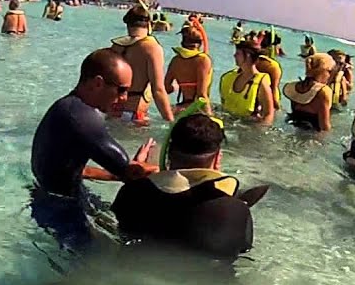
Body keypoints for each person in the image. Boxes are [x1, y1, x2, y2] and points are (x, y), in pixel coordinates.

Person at [29, 49, 158, 252]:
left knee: (114, 229)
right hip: (60, 209)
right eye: (121, 90)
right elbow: (129, 172)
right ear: (98, 83)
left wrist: (124, 170)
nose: (125, 98)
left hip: (50, 195)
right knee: (91, 263)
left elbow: (73, 167)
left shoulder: (67, 108)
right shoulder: (82, 119)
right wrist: (158, 169)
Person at [111, 112, 269, 261]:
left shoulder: (132, 194)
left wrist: (135, 183)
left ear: (168, 153)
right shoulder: (235, 210)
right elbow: (242, 251)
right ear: (217, 158)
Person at [108, 5, 174, 124]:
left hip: (112, 111)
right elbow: (158, 90)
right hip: (134, 115)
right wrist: (171, 122)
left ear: (128, 24)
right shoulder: (152, 48)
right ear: (149, 24)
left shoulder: (116, 46)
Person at [217, 42, 274, 126]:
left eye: (238, 53)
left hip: (248, 125)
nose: (234, 55)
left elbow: (269, 114)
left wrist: (259, 130)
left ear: (247, 55)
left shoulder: (261, 82)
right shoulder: (228, 77)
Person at [282, 53, 335, 133]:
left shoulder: (295, 87)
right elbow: (324, 126)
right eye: (330, 71)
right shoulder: (323, 91)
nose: (330, 75)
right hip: (312, 133)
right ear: (323, 70)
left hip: (293, 127)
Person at [164, 26, 213, 112]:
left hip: (179, 108)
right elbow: (201, 94)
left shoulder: (175, 61)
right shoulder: (203, 60)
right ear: (200, 43)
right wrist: (209, 115)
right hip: (195, 109)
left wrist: (175, 87)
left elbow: (166, 88)